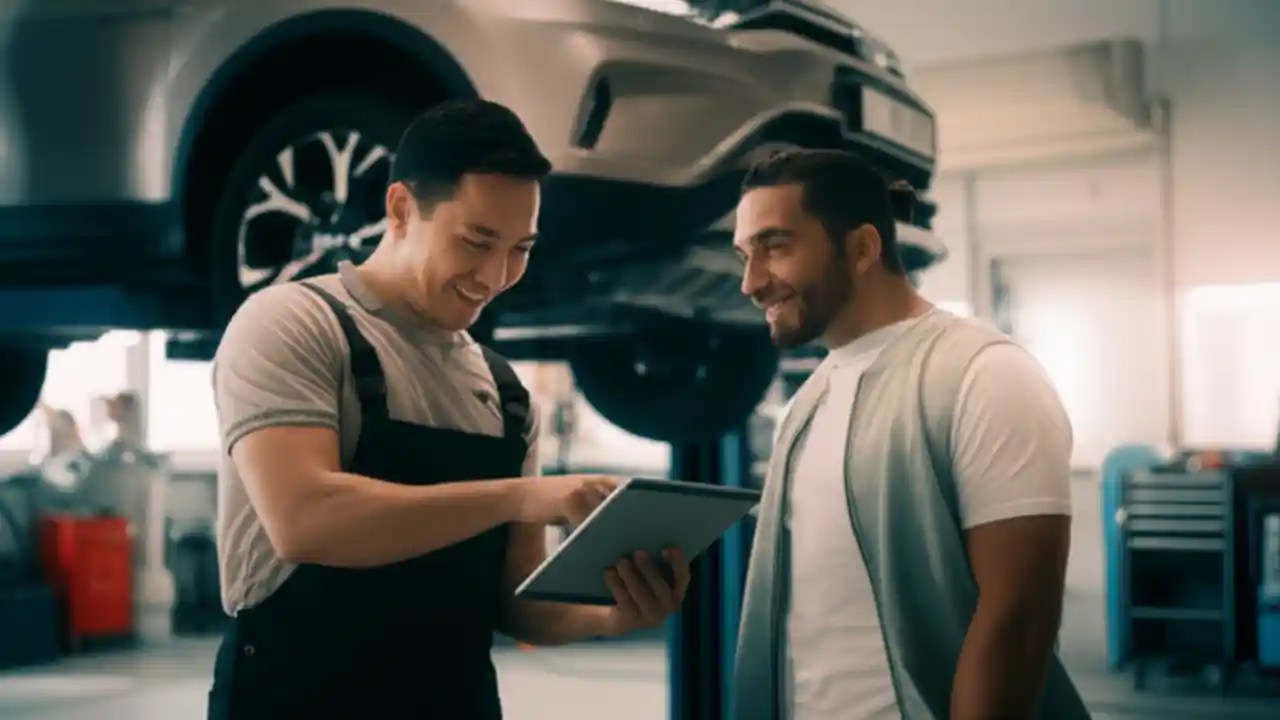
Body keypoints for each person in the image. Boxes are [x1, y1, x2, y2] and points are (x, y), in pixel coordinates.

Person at [207, 99, 690, 719]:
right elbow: (304, 520)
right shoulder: (293, 324)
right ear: (401, 209)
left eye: (520, 249)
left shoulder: (504, 392)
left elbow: (516, 603)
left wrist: (610, 615)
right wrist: (519, 498)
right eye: (475, 241)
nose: (495, 275)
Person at [729, 149, 1090, 720]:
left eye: (775, 247)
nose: (751, 282)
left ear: (862, 249)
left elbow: (1018, 623)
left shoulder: (987, 375)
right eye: (744, 255)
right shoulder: (803, 409)